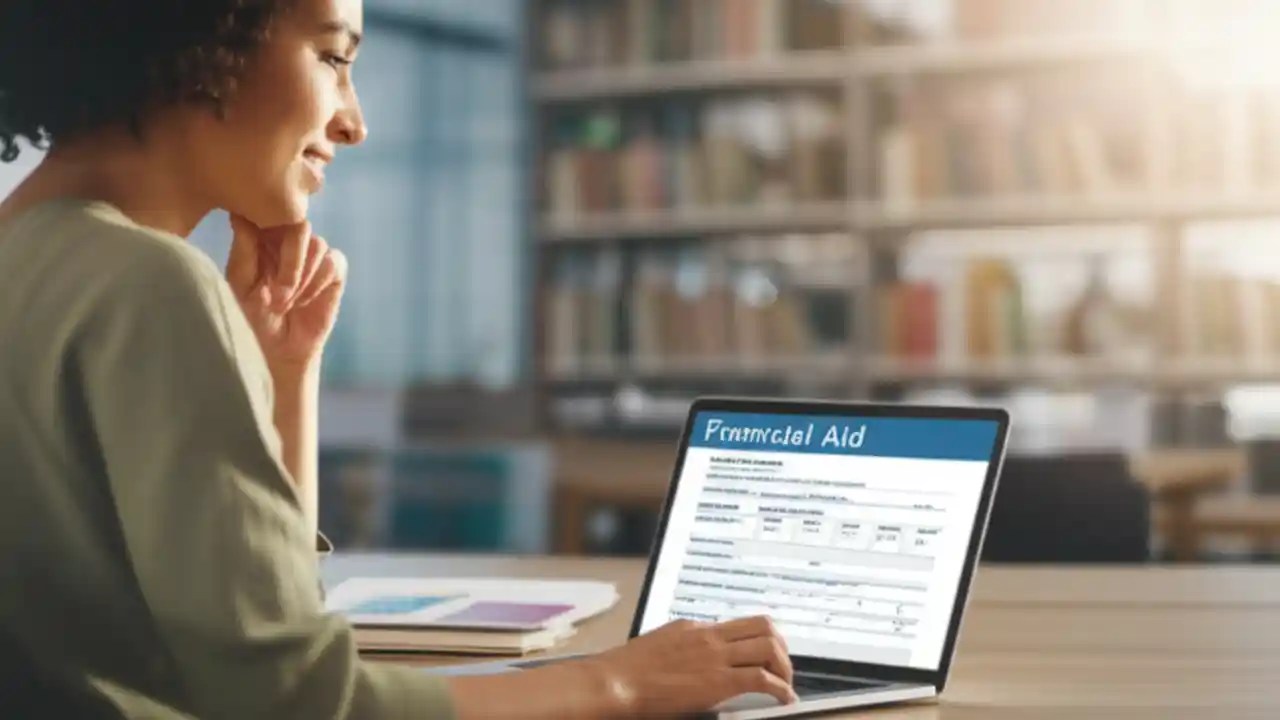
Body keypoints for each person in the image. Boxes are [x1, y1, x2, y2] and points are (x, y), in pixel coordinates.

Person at [0, 0, 798, 718]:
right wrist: (622, 683)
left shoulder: (32, 255)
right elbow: (299, 701)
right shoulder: (153, 285)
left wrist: (281, 375)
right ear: (208, 35)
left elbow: (258, 629)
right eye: (334, 58)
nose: (354, 121)